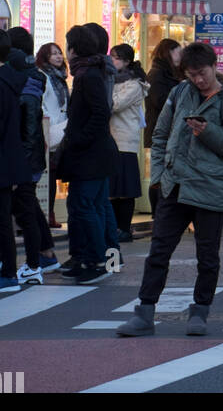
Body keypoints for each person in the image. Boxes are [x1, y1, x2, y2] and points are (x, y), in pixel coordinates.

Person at [117, 41, 223, 337]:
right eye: (192, 75)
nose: (198, 80)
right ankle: (145, 312)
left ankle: (200, 312)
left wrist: (207, 131)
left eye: (202, 73)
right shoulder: (179, 93)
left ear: (215, 66)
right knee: (159, 251)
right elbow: (160, 134)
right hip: (175, 186)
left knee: (208, 255)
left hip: (211, 188)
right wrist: (159, 176)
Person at [58, 24, 120, 284]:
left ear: (73, 48)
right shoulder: (93, 71)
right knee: (88, 205)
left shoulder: (88, 75)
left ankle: (97, 260)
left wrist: (79, 138)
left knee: (87, 206)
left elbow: (100, 112)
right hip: (94, 153)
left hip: (91, 154)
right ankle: (90, 257)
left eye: (67, 46)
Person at [7, 27, 59, 283]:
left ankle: (33, 264)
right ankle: (47, 254)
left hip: (24, 155)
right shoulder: (33, 76)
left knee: (24, 208)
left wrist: (22, 163)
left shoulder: (24, 80)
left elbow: (27, 123)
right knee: (29, 206)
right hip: (31, 152)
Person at [0, 30, 33, 292]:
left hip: (3, 160)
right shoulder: (14, 81)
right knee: (4, 219)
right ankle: (8, 270)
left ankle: (8, 272)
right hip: (11, 159)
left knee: (2, 220)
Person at [109, 45, 149, 241]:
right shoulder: (110, 79)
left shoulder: (134, 84)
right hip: (109, 140)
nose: (112, 61)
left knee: (124, 190)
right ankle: (115, 228)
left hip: (125, 140)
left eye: (115, 58)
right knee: (112, 189)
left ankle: (124, 228)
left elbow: (114, 105)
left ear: (126, 61)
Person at [145, 38, 182, 214]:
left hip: (173, 132)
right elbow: (159, 101)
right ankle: (157, 214)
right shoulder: (157, 74)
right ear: (168, 52)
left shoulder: (174, 74)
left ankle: (165, 213)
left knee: (170, 175)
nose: (180, 55)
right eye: (177, 51)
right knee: (159, 176)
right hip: (160, 133)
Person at [36, 43, 69, 228]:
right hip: (51, 129)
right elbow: (41, 102)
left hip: (61, 129)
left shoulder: (61, 77)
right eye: (53, 54)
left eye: (59, 53)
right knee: (48, 175)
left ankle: (51, 213)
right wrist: (47, 122)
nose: (58, 56)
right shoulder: (43, 76)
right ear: (44, 57)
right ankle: (47, 214)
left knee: (55, 173)